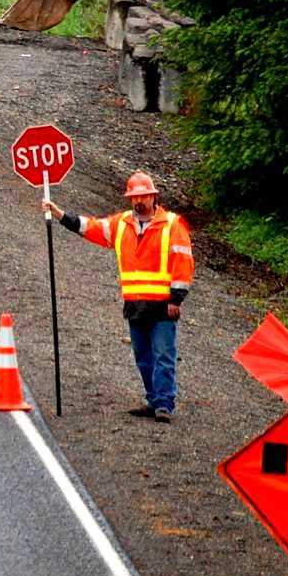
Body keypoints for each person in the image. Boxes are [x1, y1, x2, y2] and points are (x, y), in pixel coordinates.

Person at [43, 171, 193, 423]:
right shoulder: (121, 224)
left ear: (153, 196)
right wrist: (60, 215)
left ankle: (164, 404)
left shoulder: (171, 225)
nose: (138, 201)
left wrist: (176, 299)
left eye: (143, 196)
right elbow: (91, 227)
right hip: (135, 304)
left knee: (163, 356)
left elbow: (183, 261)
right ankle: (153, 400)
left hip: (162, 305)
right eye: (134, 197)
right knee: (143, 357)